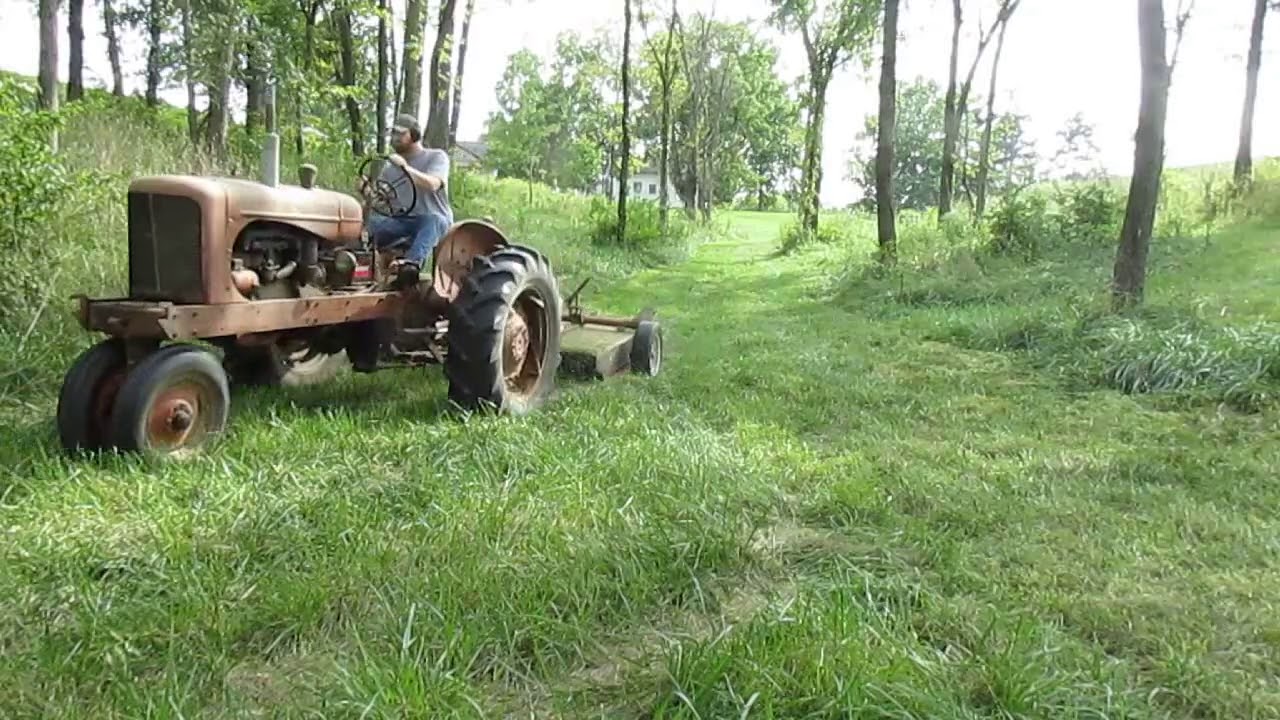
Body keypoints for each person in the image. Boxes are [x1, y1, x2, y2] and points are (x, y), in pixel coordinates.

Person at [365, 113, 454, 288]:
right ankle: (361, 270)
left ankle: (411, 266)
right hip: (402, 220)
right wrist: (367, 193)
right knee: (371, 226)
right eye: (393, 134)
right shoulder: (389, 168)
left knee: (434, 220)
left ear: (414, 135)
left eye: (400, 134)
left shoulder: (436, 157)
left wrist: (405, 168)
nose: (394, 138)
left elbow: (432, 184)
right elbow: (382, 201)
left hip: (430, 221)